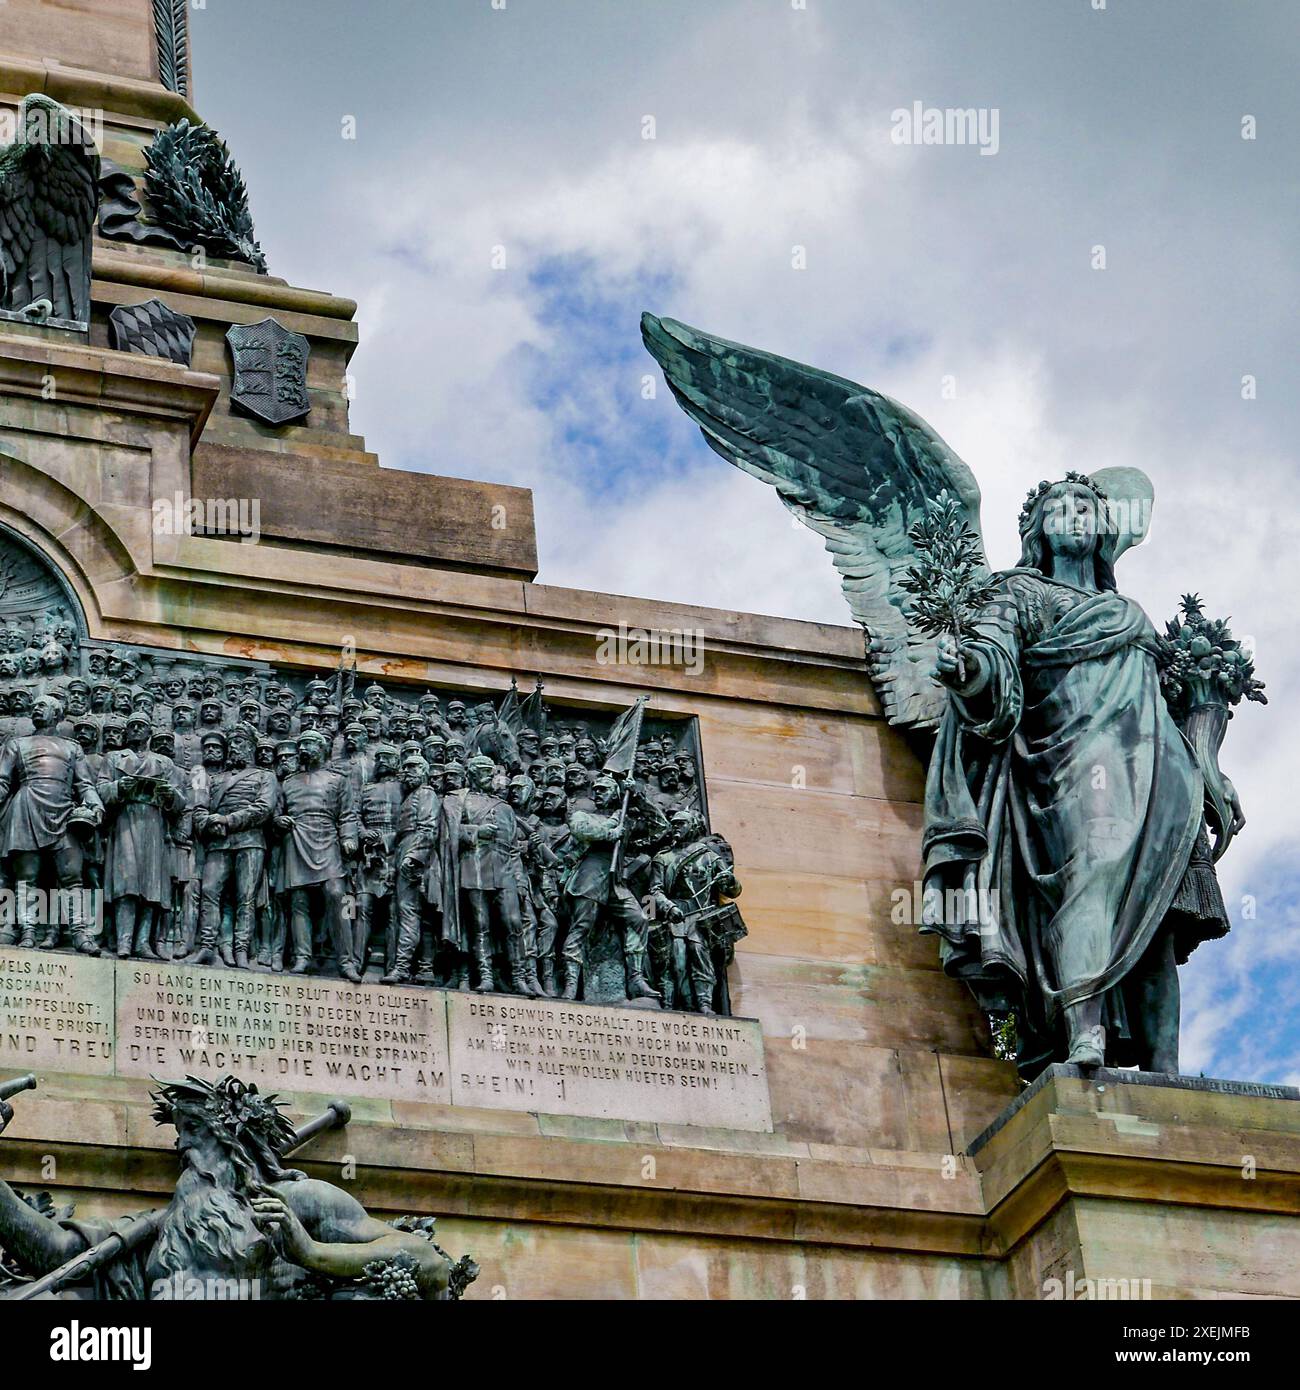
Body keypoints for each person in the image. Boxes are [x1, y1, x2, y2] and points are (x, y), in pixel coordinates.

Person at [924, 474, 1225, 1072]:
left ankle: (1165, 1065)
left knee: (1161, 913)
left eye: (1086, 507)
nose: (1075, 517)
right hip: (1071, 763)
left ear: (1104, 529)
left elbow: (1167, 703)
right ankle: (1083, 1027)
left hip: (1160, 771)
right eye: (1059, 509)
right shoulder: (1018, 593)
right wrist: (967, 670)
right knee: (1094, 876)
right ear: (1038, 530)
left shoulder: (1126, 613)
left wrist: (1207, 758)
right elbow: (994, 661)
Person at [0, 695, 103, 952]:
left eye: (42, 706)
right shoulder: (16, 744)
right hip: (26, 807)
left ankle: (80, 932)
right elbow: (2, 780)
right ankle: (27, 931)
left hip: (64, 810)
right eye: (34, 706)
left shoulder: (72, 748)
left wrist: (95, 804)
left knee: (72, 875)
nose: (36, 708)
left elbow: (84, 784)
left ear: (57, 714)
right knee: (26, 876)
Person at [561, 774, 662, 1004]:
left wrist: (637, 796)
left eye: (604, 789)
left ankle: (636, 978)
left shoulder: (625, 816)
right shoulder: (583, 814)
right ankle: (570, 984)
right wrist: (610, 832)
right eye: (595, 790)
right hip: (589, 877)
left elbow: (660, 828)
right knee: (581, 928)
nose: (597, 793)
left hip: (616, 881)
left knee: (640, 918)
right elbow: (581, 830)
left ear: (616, 794)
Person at [187, 726, 276, 970]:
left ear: (251, 747)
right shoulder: (215, 779)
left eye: (240, 742)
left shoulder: (264, 777)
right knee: (209, 891)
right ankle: (206, 946)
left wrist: (228, 820)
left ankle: (241, 951)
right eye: (233, 742)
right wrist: (207, 824)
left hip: (250, 842)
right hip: (219, 842)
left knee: (245, 897)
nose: (235, 747)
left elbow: (264, 809)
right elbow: (199, 808)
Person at [275, 729, 359, 976]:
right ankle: (302, 956)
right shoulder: (288, 782)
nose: (303, 748)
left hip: (326, 837)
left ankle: (347, 960)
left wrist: (349, 838)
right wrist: (279, 821)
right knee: (298, 900)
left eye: (309, 743)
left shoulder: (337, 780)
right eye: (301, 744)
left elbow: (347, 815)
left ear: (322, 748)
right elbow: (277, 813)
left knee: (339, 896)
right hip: (297, 837)